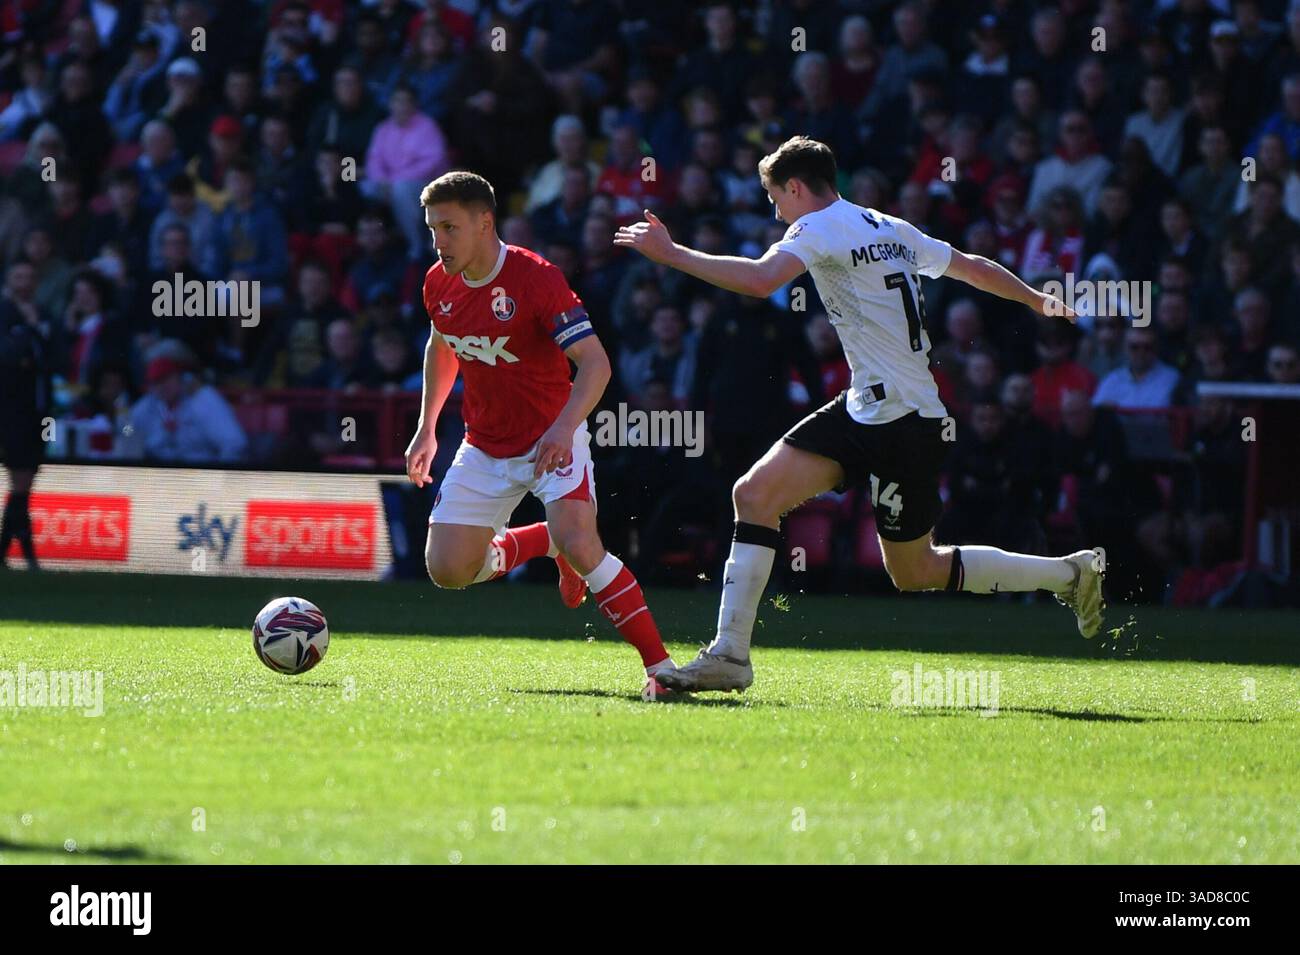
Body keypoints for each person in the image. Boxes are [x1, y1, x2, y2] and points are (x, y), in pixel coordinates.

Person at [615, 136, 1105, 693]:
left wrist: (671, 253)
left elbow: (758, 280)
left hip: (901, 419)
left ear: (796, 188)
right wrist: (1036, 299)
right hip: (872, 407)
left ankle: (1068, 572)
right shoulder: (889, 227)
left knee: (914, 571)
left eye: (777, 198)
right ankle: (729, 655)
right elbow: (969, 266)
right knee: (754, 495)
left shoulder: (815, 228)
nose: (777, 212)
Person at [404, 171, 679, 699]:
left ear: (485, 223)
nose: (438, 241)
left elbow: (595, 365)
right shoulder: (438, 281)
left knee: (583, 543)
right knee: (448, 569)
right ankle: (545, 541)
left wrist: (563, 428)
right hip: (484, 442)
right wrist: (426, 428)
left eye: (449, 227)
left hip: (552, 435)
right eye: (432, 228)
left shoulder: (536, 278)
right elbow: (442, 347)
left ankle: (660, 668)